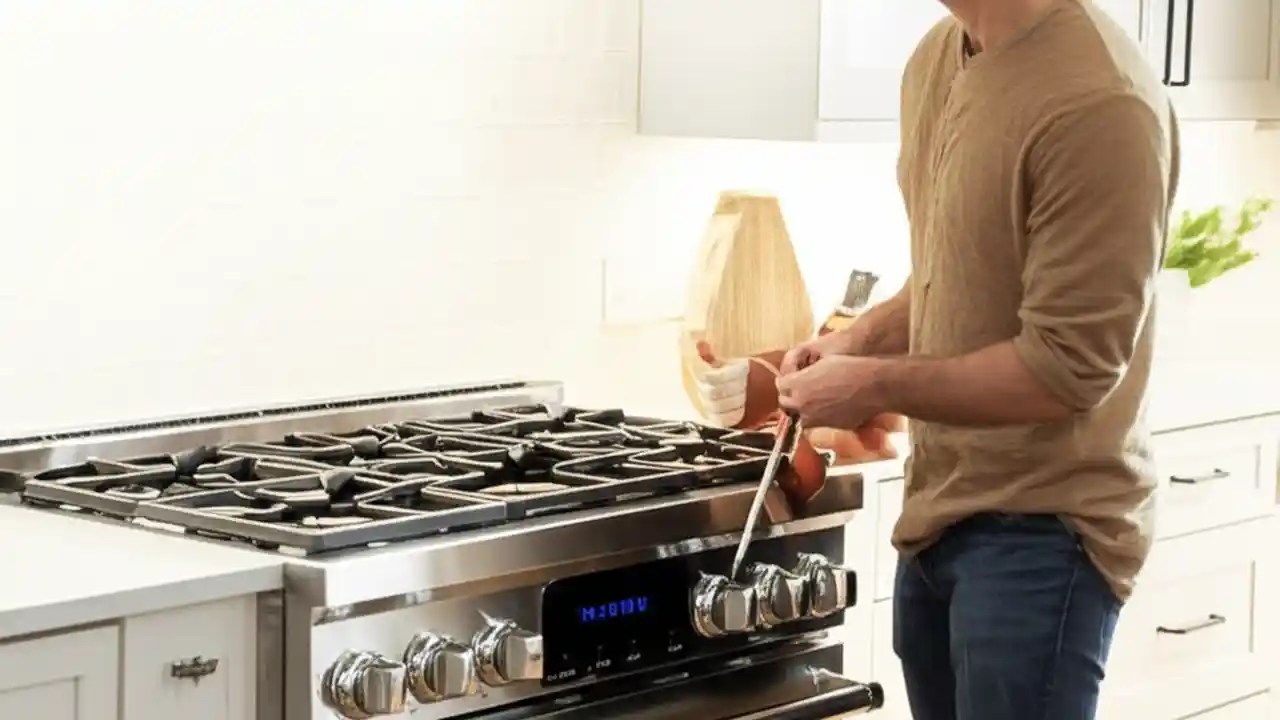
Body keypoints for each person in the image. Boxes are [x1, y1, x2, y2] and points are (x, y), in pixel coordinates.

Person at [774, 1, 1179, 718]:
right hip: (938, 512)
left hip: (1044, 535)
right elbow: (955, 268)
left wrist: (869, 384)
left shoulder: (1099, 102)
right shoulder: (939, 56)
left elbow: (1066, 367)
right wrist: (859, 340)